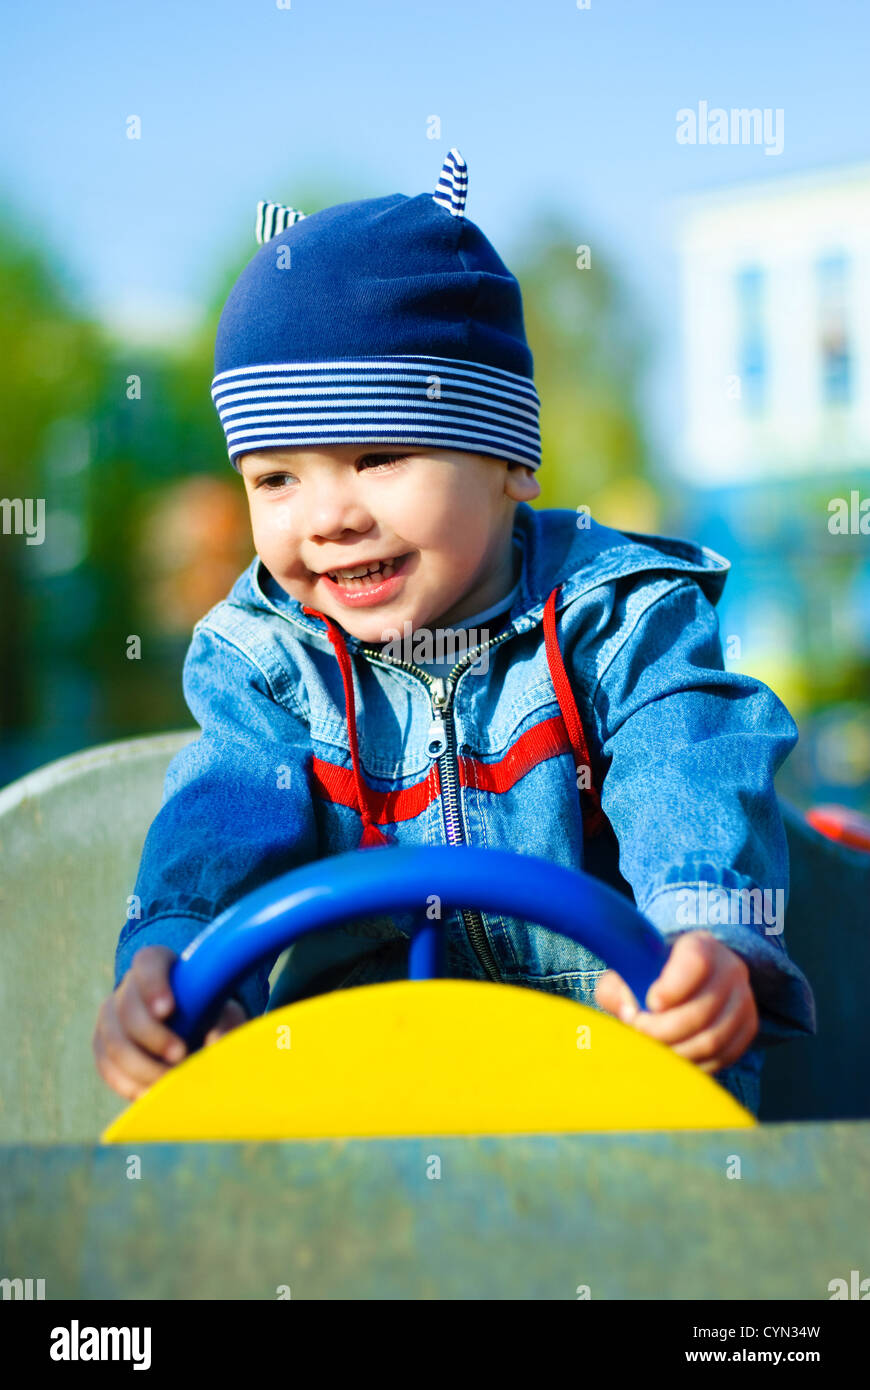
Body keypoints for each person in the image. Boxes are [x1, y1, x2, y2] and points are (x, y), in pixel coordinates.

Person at [93, 149, 815, 1115]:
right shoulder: (267, 660)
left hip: (601, 1081)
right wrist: (175, 967)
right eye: (276, 477)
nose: (326, 518)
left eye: (379, 454)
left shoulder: (621, 616)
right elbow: (219, 822)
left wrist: (701, 943)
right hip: (351, 1100)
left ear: (511, 459)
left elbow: (685, 772)